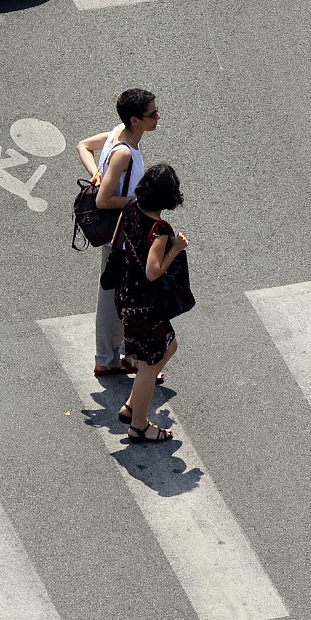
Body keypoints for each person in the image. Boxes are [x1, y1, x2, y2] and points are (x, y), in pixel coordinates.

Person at [75, 87, 160, 380]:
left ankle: (118, 355)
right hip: (122, 235)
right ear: (135, 120)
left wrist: (95, 173)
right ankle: (109, 358)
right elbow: (103, 201)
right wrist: (141, 202)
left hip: (124, 233)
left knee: (120, 294)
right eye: (152, 114)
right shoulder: (123, 152)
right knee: (117, 295)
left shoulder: (117, 135)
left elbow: (83, 146)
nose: (158, 117)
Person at [112, 162, 187, 443]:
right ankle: (139, 425)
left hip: (126, 295)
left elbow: (117, 241)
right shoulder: (159, 228)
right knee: (148, 365)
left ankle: (132, 405)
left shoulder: (131, 209)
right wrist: (176, 249)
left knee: (170, 345)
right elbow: (153, 271)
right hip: (145, 305)